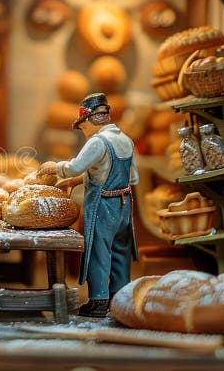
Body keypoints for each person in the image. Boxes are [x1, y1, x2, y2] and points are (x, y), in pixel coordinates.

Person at [38, 93, 139, 317]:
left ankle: (99, 301)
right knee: (120, 251)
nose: (84, 134)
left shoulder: (98, 141)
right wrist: (80, 181)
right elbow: (132, 178)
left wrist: (54, 166)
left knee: (97, 250)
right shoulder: (125, 139)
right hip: (124, 204)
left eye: (83, 128)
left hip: (103, 205)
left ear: (91, 121)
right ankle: (119, 297)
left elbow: (74, 166)